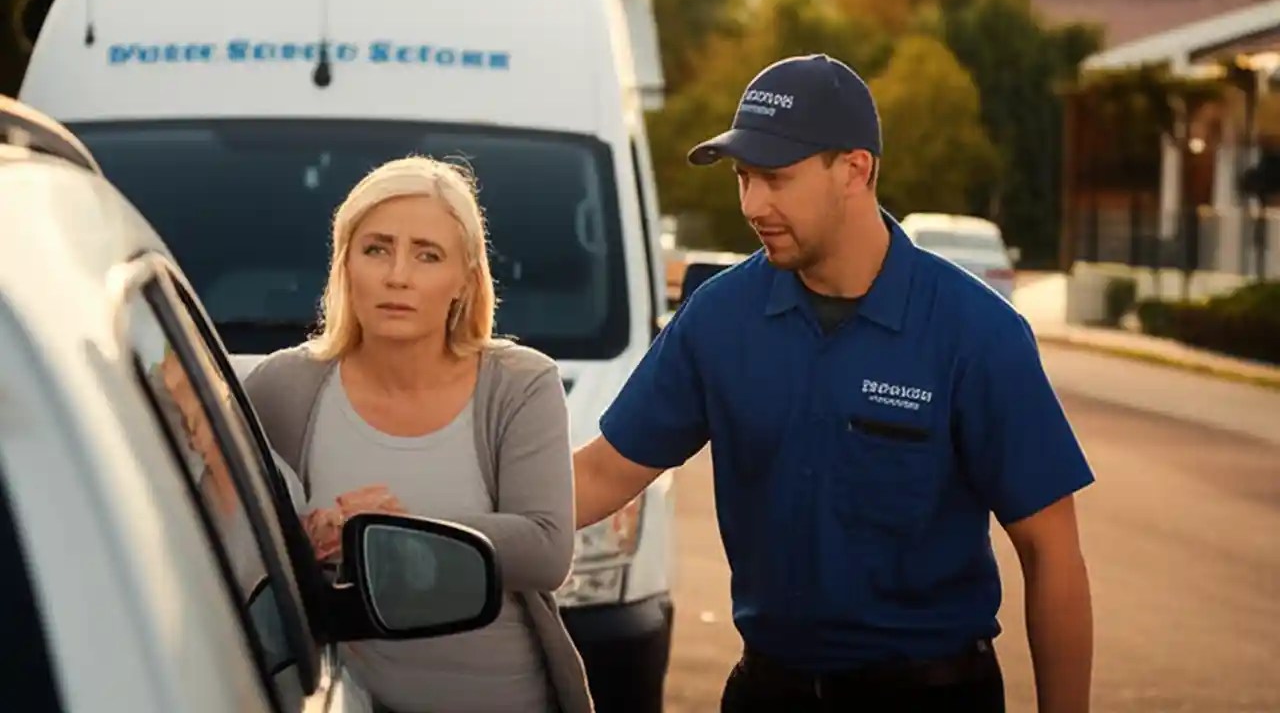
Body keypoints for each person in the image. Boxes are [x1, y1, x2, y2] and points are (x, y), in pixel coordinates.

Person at [573, 53, 1095, 712]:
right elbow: (598, 476)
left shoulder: (975, 332)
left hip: (931, 694)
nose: (752, 204)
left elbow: (1051, 554)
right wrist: (452, 520)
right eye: (743, 178)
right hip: (769, 692)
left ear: (854, 170)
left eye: (776, 178)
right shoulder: (720, 317)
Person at [241, 155, 593, 713]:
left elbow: (547, 548)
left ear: (464, 281)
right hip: (343, 700)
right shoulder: (285, 386)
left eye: (427, 255)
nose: (397, 275)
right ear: (345, 264)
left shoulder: (519, 383)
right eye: (376, 249)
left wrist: (387, 536)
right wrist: (307, 543)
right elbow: (244, 542)